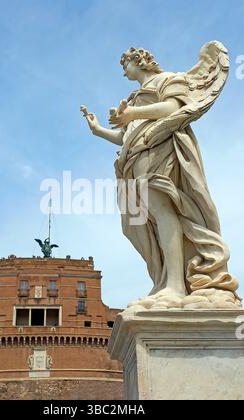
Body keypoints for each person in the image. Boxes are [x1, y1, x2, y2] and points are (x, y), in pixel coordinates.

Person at [81, 43, 241, 309]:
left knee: (164, 211)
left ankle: (176, 285)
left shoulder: (168, 79)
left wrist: (132, 113)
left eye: (126, 65)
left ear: (139, 60)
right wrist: (98, 130)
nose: (124, 72)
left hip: (160, 149)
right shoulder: (134, 98)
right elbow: (125, 135)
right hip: (134, 160)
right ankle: (165, 280)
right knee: (145, 222)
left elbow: (173, 108)